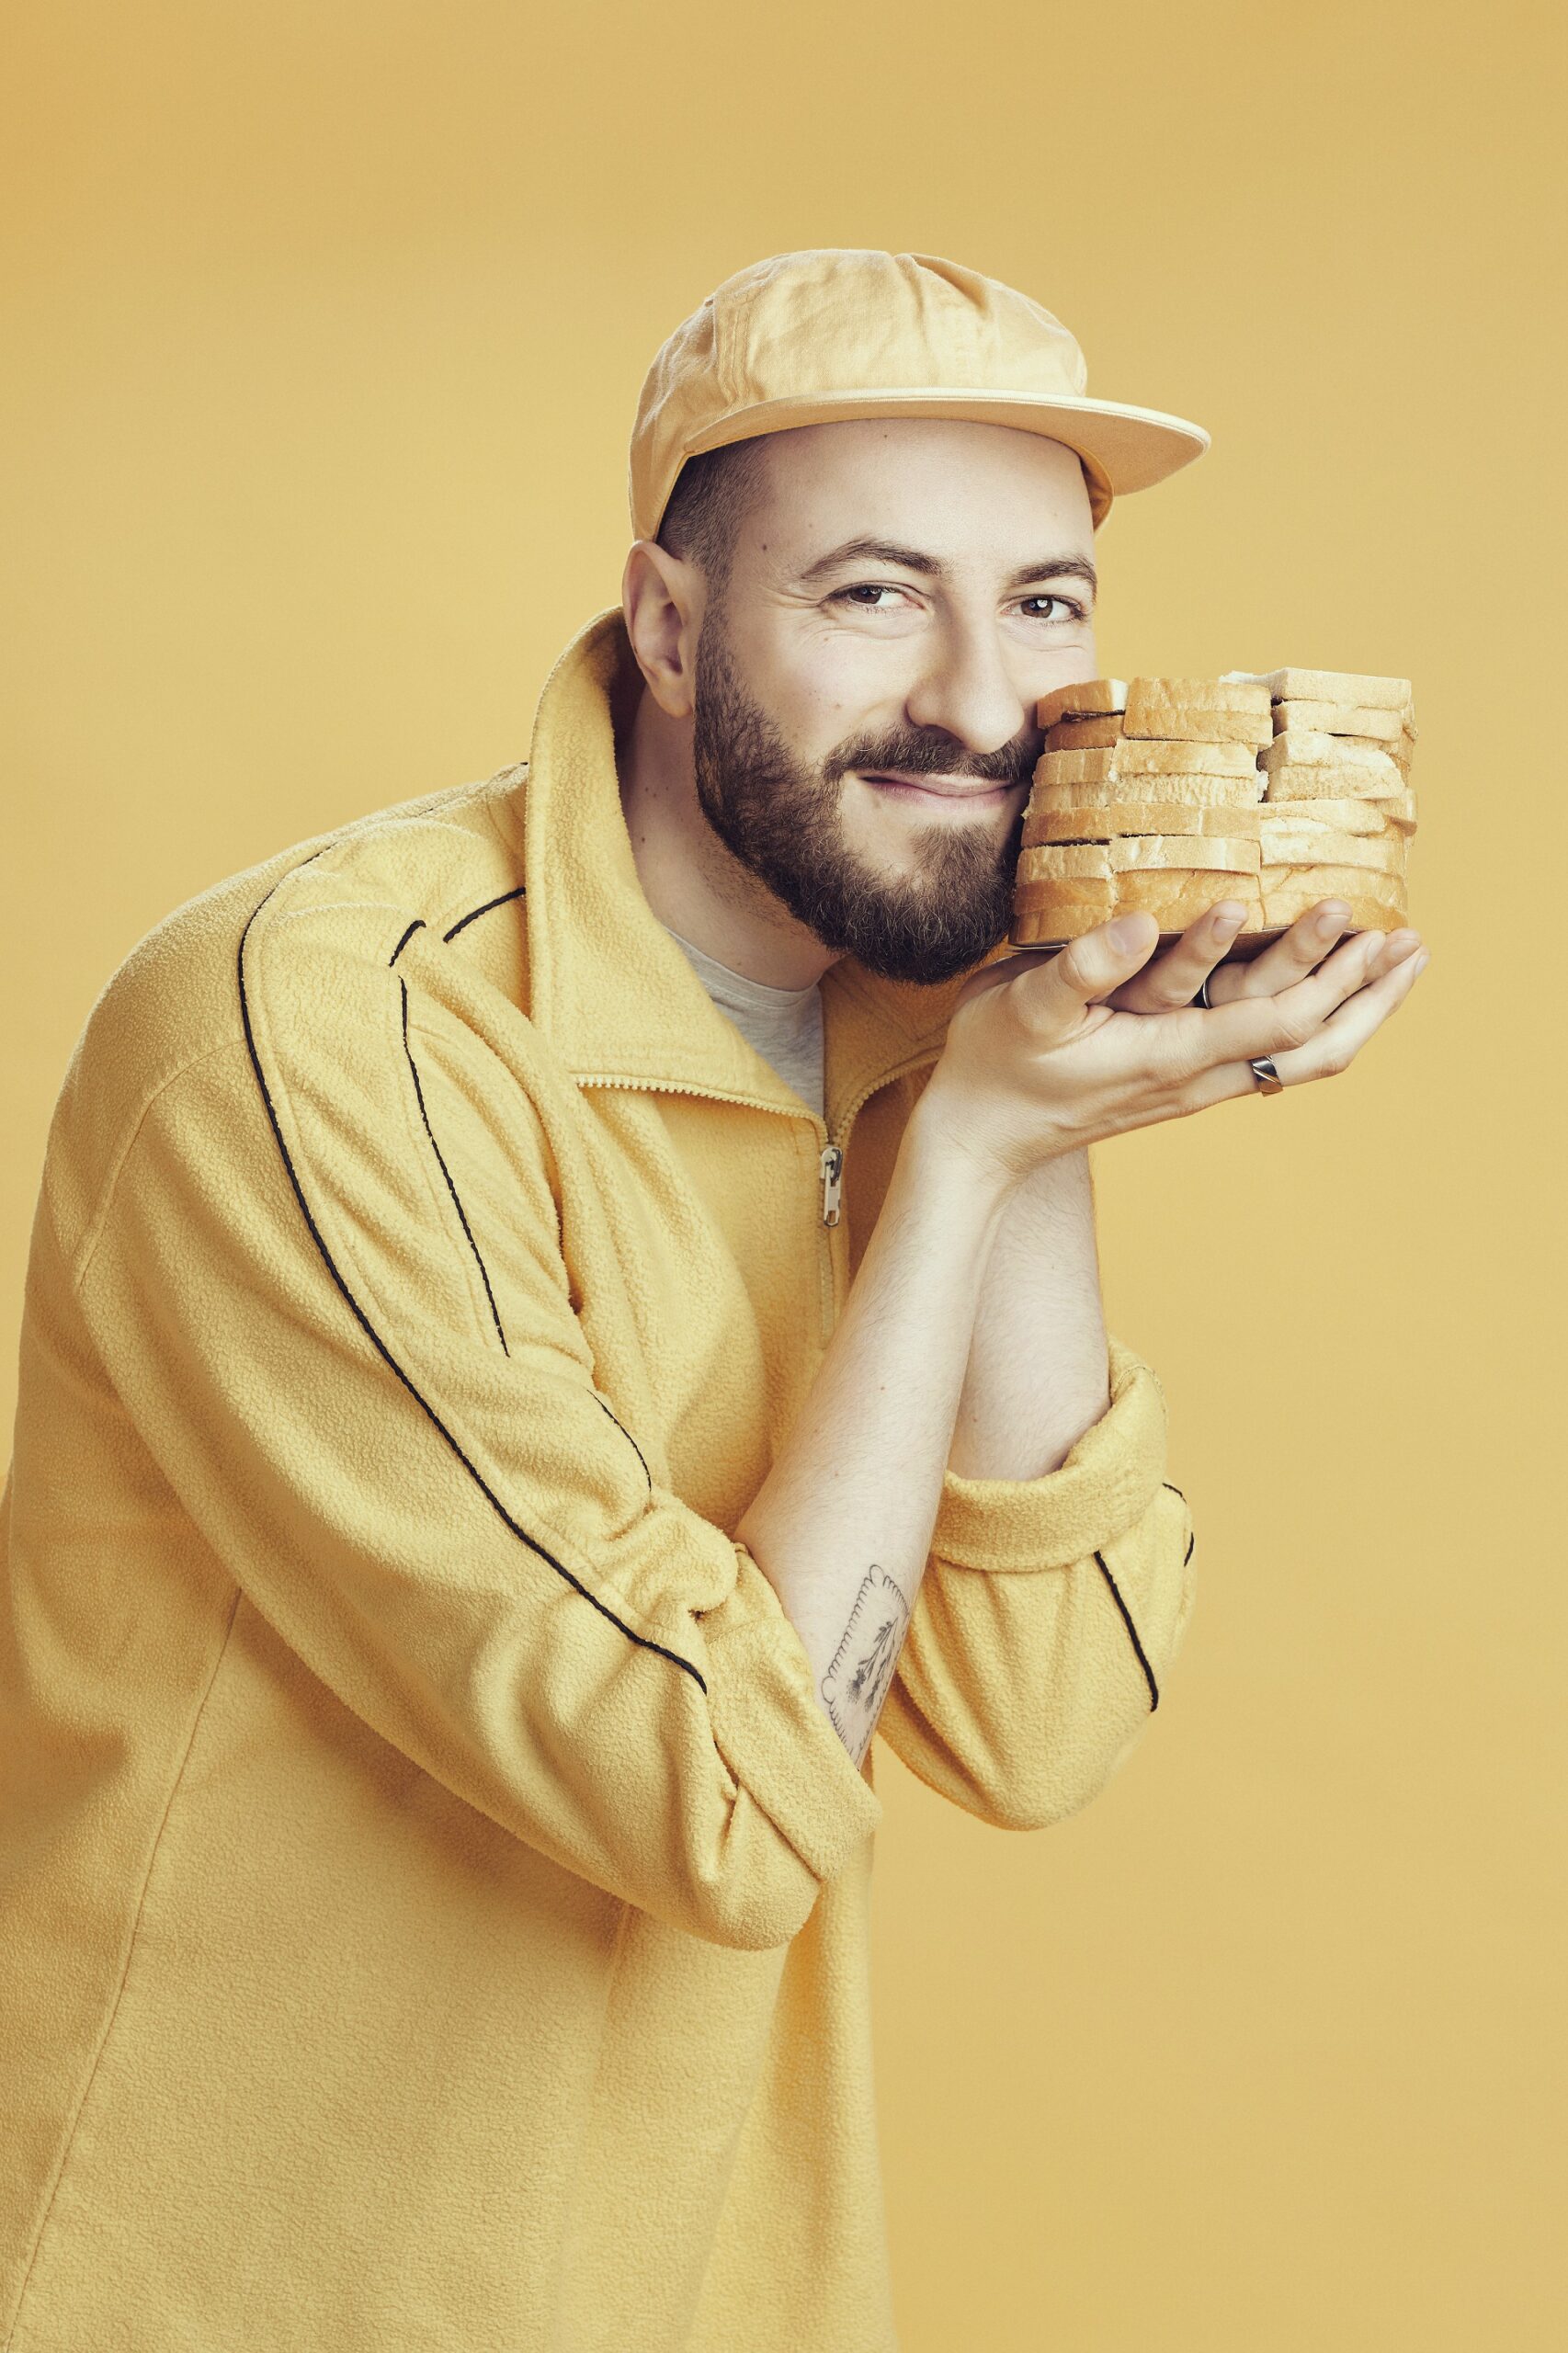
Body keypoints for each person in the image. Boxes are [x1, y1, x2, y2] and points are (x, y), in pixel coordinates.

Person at [0, 249, 1426, 2353]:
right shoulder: (319, 1032)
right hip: (232, 2283)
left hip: (697, 2284)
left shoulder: (904, 1002)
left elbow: (1032, 1728)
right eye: (872, 592)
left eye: (1044, 599)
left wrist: (999, 1077)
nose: (980, 693)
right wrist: (959, 1156)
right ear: (669, 628)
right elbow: (720, 1802)